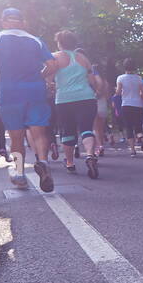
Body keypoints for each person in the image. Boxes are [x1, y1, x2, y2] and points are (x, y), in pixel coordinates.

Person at [0, 7, 59, 192]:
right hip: (35, 91)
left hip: (10, 92)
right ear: (23, 23)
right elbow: (52, 64)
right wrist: (40, 77)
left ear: (3, 22)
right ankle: (43, 162)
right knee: (39, 132)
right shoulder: (36, 40)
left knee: (16, 136)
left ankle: (19, 174)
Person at [50, 31, 100, 177]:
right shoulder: (83, 58)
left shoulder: (54, 57)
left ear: (59, 43)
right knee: (86, 128)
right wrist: (97, 91)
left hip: (64, 99)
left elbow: (49, 78)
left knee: (68, 131)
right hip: (86, 97)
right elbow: (92, 80)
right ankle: (90, 155)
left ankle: (70, 163)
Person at [114, 59, 143, 157]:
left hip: (126, 104)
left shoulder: (120, 78)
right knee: (138, 126)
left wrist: (117, 92)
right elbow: (142, 93)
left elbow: (118, 92)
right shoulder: (139, 78)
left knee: (128, 127)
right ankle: (141, 137)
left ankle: (132, 150)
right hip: (138, 105)